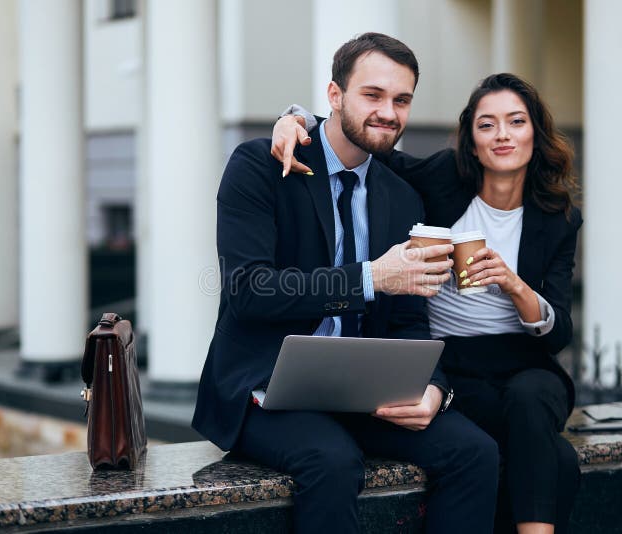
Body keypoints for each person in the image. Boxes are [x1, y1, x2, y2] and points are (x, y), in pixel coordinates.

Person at [192, 33, 500, 534]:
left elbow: (409, 321)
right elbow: (250, 290)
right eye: (373, 95)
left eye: (401, 100)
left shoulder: (402, 198)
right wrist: (370, 278)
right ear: (334, 96)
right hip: (265, 388)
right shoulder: (260, 167)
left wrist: (434, 391)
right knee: (332, 461)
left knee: (475, 452)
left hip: (364, 393)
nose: (389, 112)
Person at [272, 72, 582, 534]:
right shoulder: (443, 178)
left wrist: (515, 286)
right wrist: (294, 118)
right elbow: (366, 137)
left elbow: (558, 332)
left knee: (531, 395)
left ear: (535, 134)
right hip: (453, 361)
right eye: (486, 125)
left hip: (525, 361)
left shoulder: (557, 218)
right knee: (554, 456)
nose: (501, 135)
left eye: (516, 122)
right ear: (471, 141)